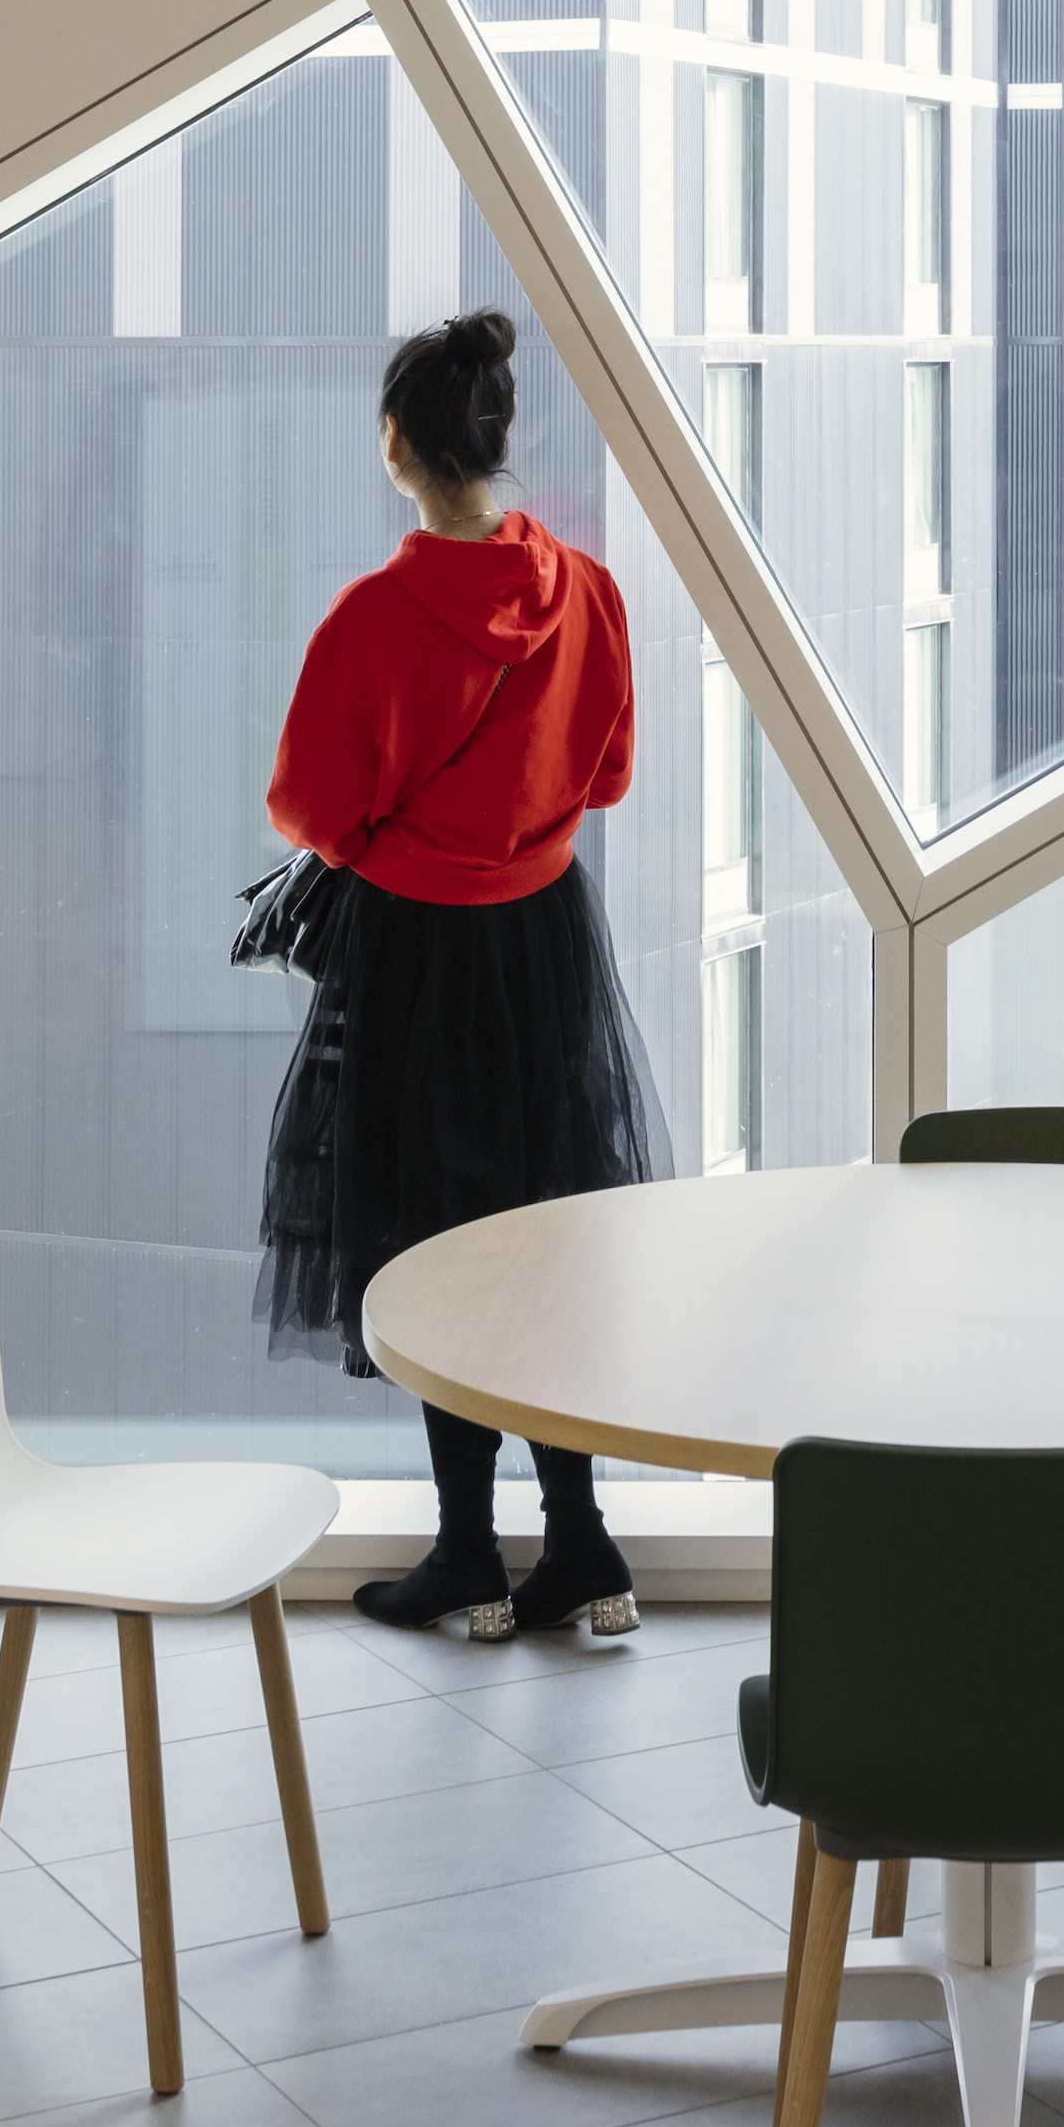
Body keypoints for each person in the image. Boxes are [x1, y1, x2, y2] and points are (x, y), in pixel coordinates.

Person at [253, 306, 670, 1638]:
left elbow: (309, 810)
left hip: (418, 953)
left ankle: (468, 1555)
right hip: (545, 942)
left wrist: (399, 834)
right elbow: (609, 774)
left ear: (396, 445)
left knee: (430, 1240)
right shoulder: (587, 591)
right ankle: (584, 1544)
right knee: (545, 1232)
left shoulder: (371, 619)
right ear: (502, 435)